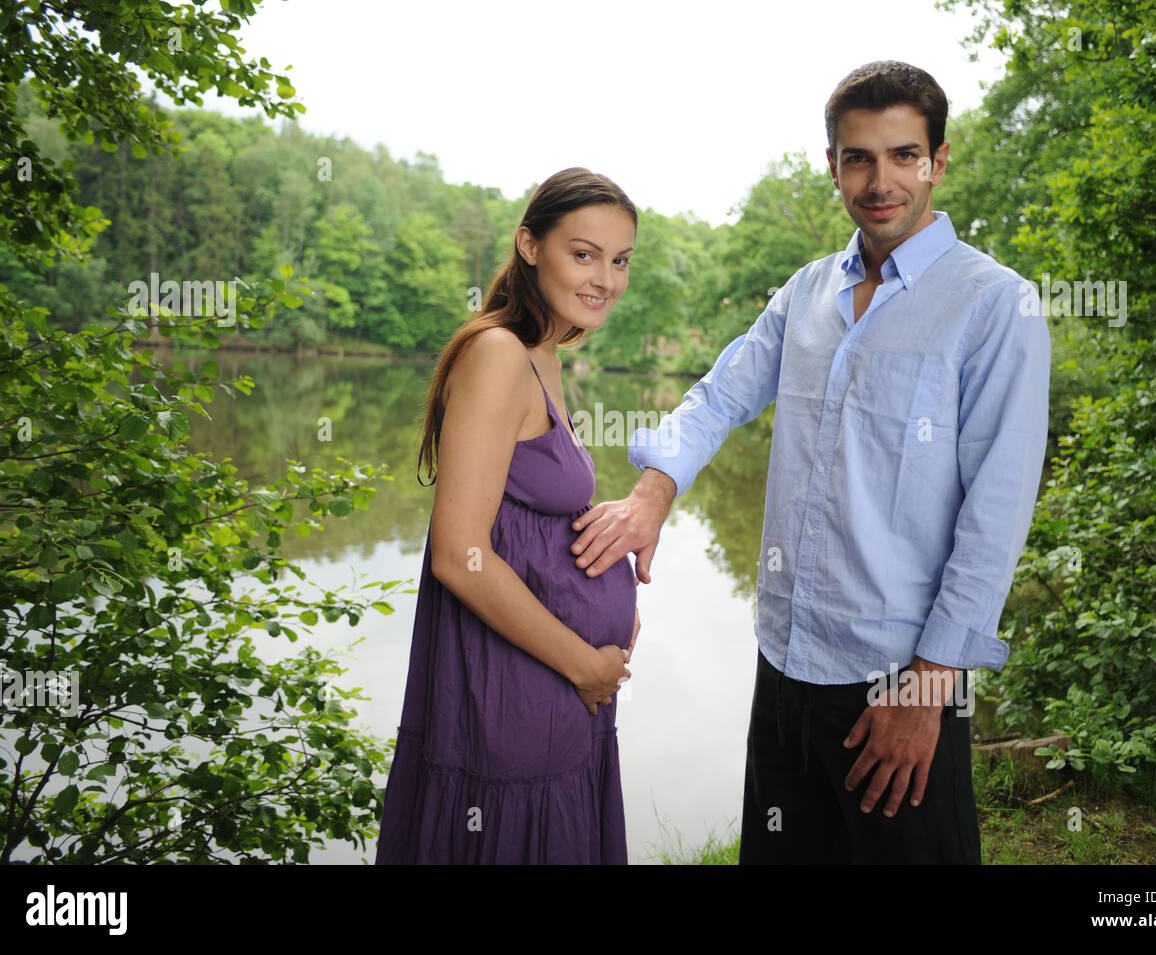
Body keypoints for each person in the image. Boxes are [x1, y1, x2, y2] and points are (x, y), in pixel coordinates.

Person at [566, 62, 1051, 864]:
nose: (880, 179)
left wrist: (930, 688)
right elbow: (720, 396)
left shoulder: (995, 306)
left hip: (898, 678)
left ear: (939, 160)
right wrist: (655, 491)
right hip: (787, 659)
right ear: (832, 166)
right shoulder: (805, 293)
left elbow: (996, 515)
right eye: (858, 157)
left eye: (903, 155)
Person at [375, 168, 641, 865]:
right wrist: (584, 660)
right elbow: (459, 554)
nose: (605, 279)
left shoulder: (544, 355)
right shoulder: (497, 354)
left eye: (619, 260)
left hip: (558, 695)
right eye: (583, 254)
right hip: (510, 696)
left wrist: (606, 569)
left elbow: (530, 520)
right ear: (529, 245)